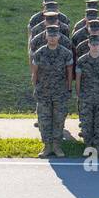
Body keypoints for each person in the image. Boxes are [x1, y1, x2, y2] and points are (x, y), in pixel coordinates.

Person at [31, 25, 72, 158]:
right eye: (50, 35)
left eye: (55, 36)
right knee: (44, 120)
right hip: (43, 92)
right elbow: (35, 73)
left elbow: (69, 73)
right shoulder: (40, 52)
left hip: (60, 92)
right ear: (46, 36)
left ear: (59, 37)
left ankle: (57, 146)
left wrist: (68, 88)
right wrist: (36, 88)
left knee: (59, 119)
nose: (52, 38)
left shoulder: (66, 53)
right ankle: (47, 146)